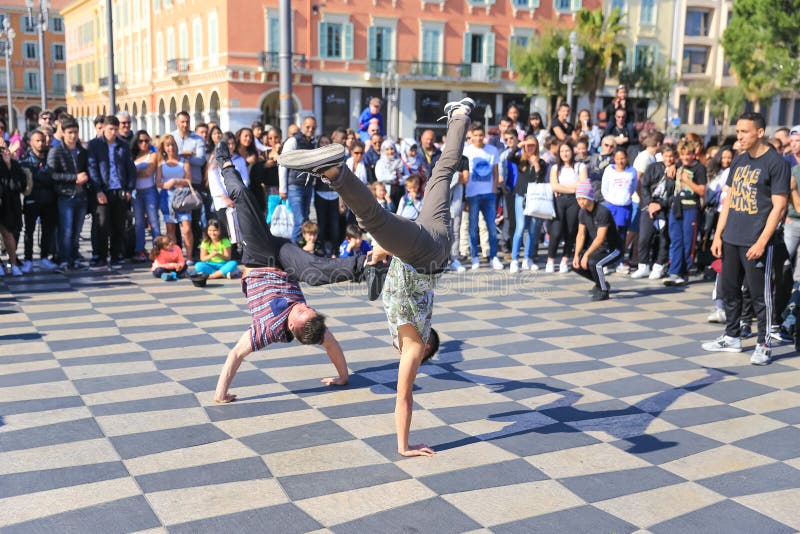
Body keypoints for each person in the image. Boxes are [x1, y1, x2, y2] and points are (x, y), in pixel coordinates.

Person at [278, 97, 474, 457]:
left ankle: (461, 114)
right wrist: (404, 446)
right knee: (374, 219)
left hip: (426, 240)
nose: (400, 354)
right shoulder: (414, 345)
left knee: (441, 174)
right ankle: (335, 171)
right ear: (427, 346)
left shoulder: (410, 325)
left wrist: (383, 252)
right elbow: (404, 399)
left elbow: (396, 268)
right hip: (423, 253)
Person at [212, 142, 374, 404]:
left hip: (259, 259)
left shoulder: (266, 330)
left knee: (242, 196)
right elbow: (332, 345)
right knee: (312, 273)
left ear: (292, 326)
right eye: (306, 308)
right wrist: (343, 377)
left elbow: (236, 355)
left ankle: (225, 162)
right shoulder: (314, 326)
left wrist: (221, 394)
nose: (301, 307)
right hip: (287, 262)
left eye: (300, 312)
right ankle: (366, 266)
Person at [703, 112, 790, 365]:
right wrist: (718, 235)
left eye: (744, 131)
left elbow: (779, 207)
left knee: (759, 295)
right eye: (738, 131)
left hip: (757, 241)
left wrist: (762, 242)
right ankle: (732, 336)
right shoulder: (739, 162)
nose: (739, 136)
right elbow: (728, 201)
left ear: (759, 133)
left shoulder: (776, 163)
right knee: (729, 289)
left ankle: (763, 343)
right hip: (731, 237)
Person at [87, 115, 137, 270]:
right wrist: (98, 190)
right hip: (103, 190)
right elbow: (92, 168)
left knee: (119, 223)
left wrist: (129, 189)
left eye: (116, 129)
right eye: (110, 129)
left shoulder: (123, 145)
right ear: (104, 128)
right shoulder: (95, 145)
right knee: (101, 223)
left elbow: (130, 168)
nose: (113, 132)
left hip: (119, 190)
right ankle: (99, 255)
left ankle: (116, 254)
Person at [664, 137, 707, 286]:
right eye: (682, 155)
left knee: (688, 241)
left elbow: (702, 191)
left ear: (693, 154)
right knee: (675, 240)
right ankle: (674, 271)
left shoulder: (699, 168)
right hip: (676, 207)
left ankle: (684, 271)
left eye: (688, 154)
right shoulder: (678, 165)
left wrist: (687, 181)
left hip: (691, 208)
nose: (685, 158)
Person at [48, 116, 89, 271]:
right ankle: (64, 259)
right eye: (70, 132)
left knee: (77, 231)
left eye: (76, 132)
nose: (73, 135)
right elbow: (52, 174)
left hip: (81, 197)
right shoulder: (56, 151)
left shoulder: (82, 151)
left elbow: (88, 170)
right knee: (66, 230)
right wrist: (74, 179)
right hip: (66, 196)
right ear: (63, 133)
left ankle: (73, 258)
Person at [632, 144, 677, 280]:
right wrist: (649, 203)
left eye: (671, 156)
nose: (668, 159)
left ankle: (659, 265)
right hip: (649, 206)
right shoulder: (653, 168)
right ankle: (643, 265)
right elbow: (644, 185)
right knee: (644, 237)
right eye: (666, 156)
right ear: (661, 156)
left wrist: (661, 204)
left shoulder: (677, 171)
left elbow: (674, 193)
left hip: (666, 208)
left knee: (663, 238)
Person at [573, 180, 621, 301]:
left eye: (583, 198)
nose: (581, 202)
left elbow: (600, 238)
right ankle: (601, 283)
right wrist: (577, 255)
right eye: (578, 199)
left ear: (590, 197)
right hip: (598, 248)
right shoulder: (582, 212)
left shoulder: (602, 211)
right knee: (576, 265)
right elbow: (581, 235)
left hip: (613, 249)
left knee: (595, 263)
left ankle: (604, 291)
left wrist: (587, 255)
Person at [464, 122, 503, 270]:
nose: (479, 138)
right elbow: (464, 173)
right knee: (473, 227)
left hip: (489, 195)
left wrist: (493, 191)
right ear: (471, 137)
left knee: (492, 228)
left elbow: (495, 172)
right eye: (476, 136)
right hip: (472, 195)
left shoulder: (492, 150)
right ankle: (475, 257)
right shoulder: (467, 151)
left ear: (484, 136)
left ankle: (493, 257)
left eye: (481, 135)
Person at [19, 130, 58, 273]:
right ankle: (28, 260)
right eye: (37, 141)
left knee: (47, 231)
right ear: (31, 142)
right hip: (32, 201)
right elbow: (26, 180)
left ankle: (44, 258)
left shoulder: (50, 157)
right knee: (29, 231)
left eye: (42, 140)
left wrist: (39, 175)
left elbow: (52, 177)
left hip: (49, 200)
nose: (41, 143)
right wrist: (43, 175)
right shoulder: (25, 160)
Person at [546, 141, 587, 273]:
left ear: (572, 152)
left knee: (570, 231)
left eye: (567, 151)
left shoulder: (580, 166)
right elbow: (554, 186)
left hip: (574, 202)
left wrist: (564, 188)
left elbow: (582, 184)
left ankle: (565, 259)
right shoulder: (555, 168)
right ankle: (550, 259)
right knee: (556, 231)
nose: (565, 154)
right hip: (559, 201)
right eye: (562, 151)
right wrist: (572, 188)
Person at [508, 136, 547, 273]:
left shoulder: (542, 162)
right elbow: (509, 156)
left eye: (533, 145)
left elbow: (541, 179)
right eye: (528, 145)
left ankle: (527, 258)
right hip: (521, 196)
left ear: (537, 146)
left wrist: (536, 165)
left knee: (532, 229)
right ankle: (514, 259)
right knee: (520, 227)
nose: (530, 148)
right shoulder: (521, 160)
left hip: (535, 198)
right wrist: (520, 145)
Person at [279, 115, 318, 243]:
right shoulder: (293, 141)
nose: (310, 129)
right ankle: (293, 253)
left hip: (308, 186)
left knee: (306, 221)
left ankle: (303, 250)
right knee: (300, 221)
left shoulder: (313, 143)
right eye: (308, 127)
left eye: (313, 128)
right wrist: (282, 188)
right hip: (295, 186)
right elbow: (282, 164)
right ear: (302, 126)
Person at [157, 134, 194, 260]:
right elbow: (158, 183)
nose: (171, 148)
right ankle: (176, 256)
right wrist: (166, 184)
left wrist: (175, 181)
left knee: (187, 229)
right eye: (167, 145)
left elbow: (189, 180)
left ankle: (189, 257)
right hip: (167, 197)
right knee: (170, 230)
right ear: (163, 148)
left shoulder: (184, 161)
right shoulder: (161, 164)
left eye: (172, 144)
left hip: (183, 197)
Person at [601, 148, 638, 261]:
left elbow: (633, 187)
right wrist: (610, 200)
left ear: (626, 158)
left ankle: (619, 259)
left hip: (625, 206)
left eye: (622, 158)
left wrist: (625, 197)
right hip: (611, 205)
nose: (620, 161)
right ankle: (606, 258)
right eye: (617, 158)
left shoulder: (632, 171)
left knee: (621, 234)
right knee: (608, 233)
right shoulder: (609, 170)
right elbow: (604, 187)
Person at [130, 130, 160, 262]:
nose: (144, 143)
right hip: (136, 192)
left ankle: (158, 249)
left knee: (154, 222)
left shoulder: (153, 155)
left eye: (147, 141)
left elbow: (148, 172)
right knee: (139, 223)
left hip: (149, 190)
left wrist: (133, 172)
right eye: (141, 141)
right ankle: (140, 250)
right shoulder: (133, 156)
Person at [0, 138, 26, 276]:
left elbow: (19, 185)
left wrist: (9, 165)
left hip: (9, 204)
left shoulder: (14, 165)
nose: (3, 152)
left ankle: (13, 262)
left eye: (5, 148)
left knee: (8, 233)